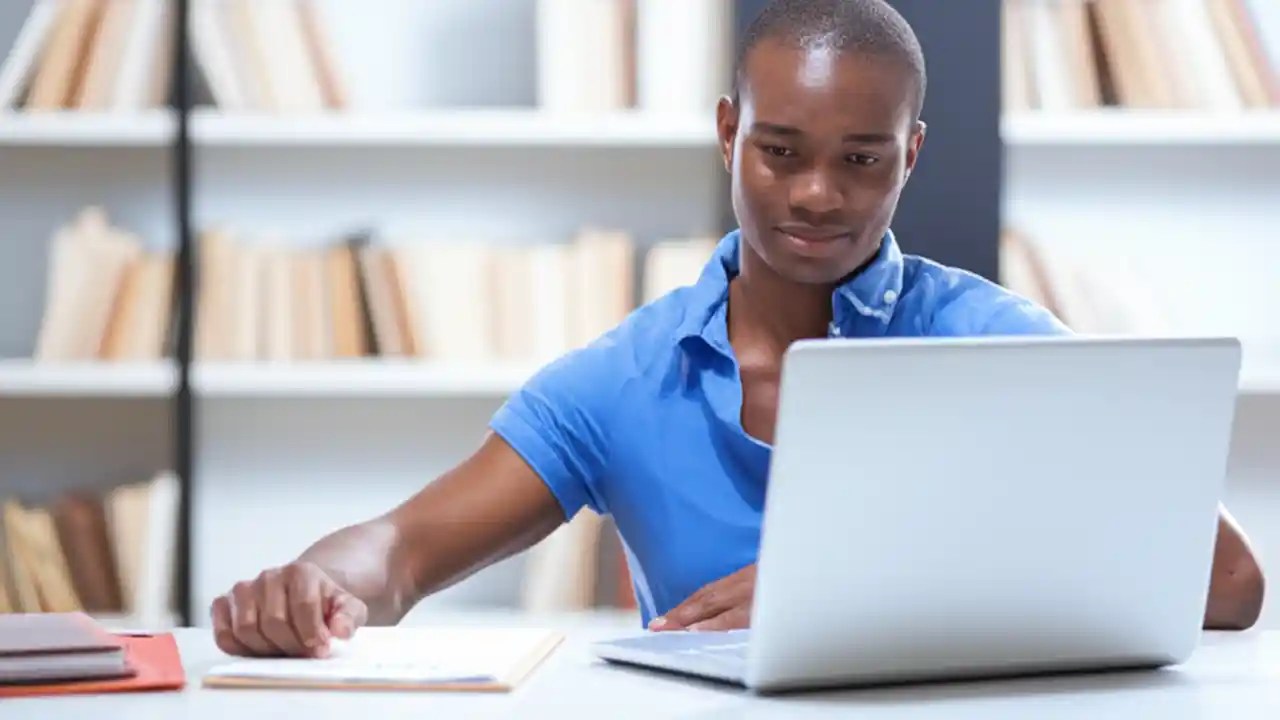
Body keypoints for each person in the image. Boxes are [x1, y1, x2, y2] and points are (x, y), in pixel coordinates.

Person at [210, 0, 1265, 658]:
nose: (814, 193)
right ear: (727, 135)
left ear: (909, 157)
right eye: (779, 151)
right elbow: (398, 550)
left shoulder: (995, 340)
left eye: (859, 157)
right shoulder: (628, 376)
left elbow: (1226, 587)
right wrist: (314, 586)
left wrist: (859, 589)